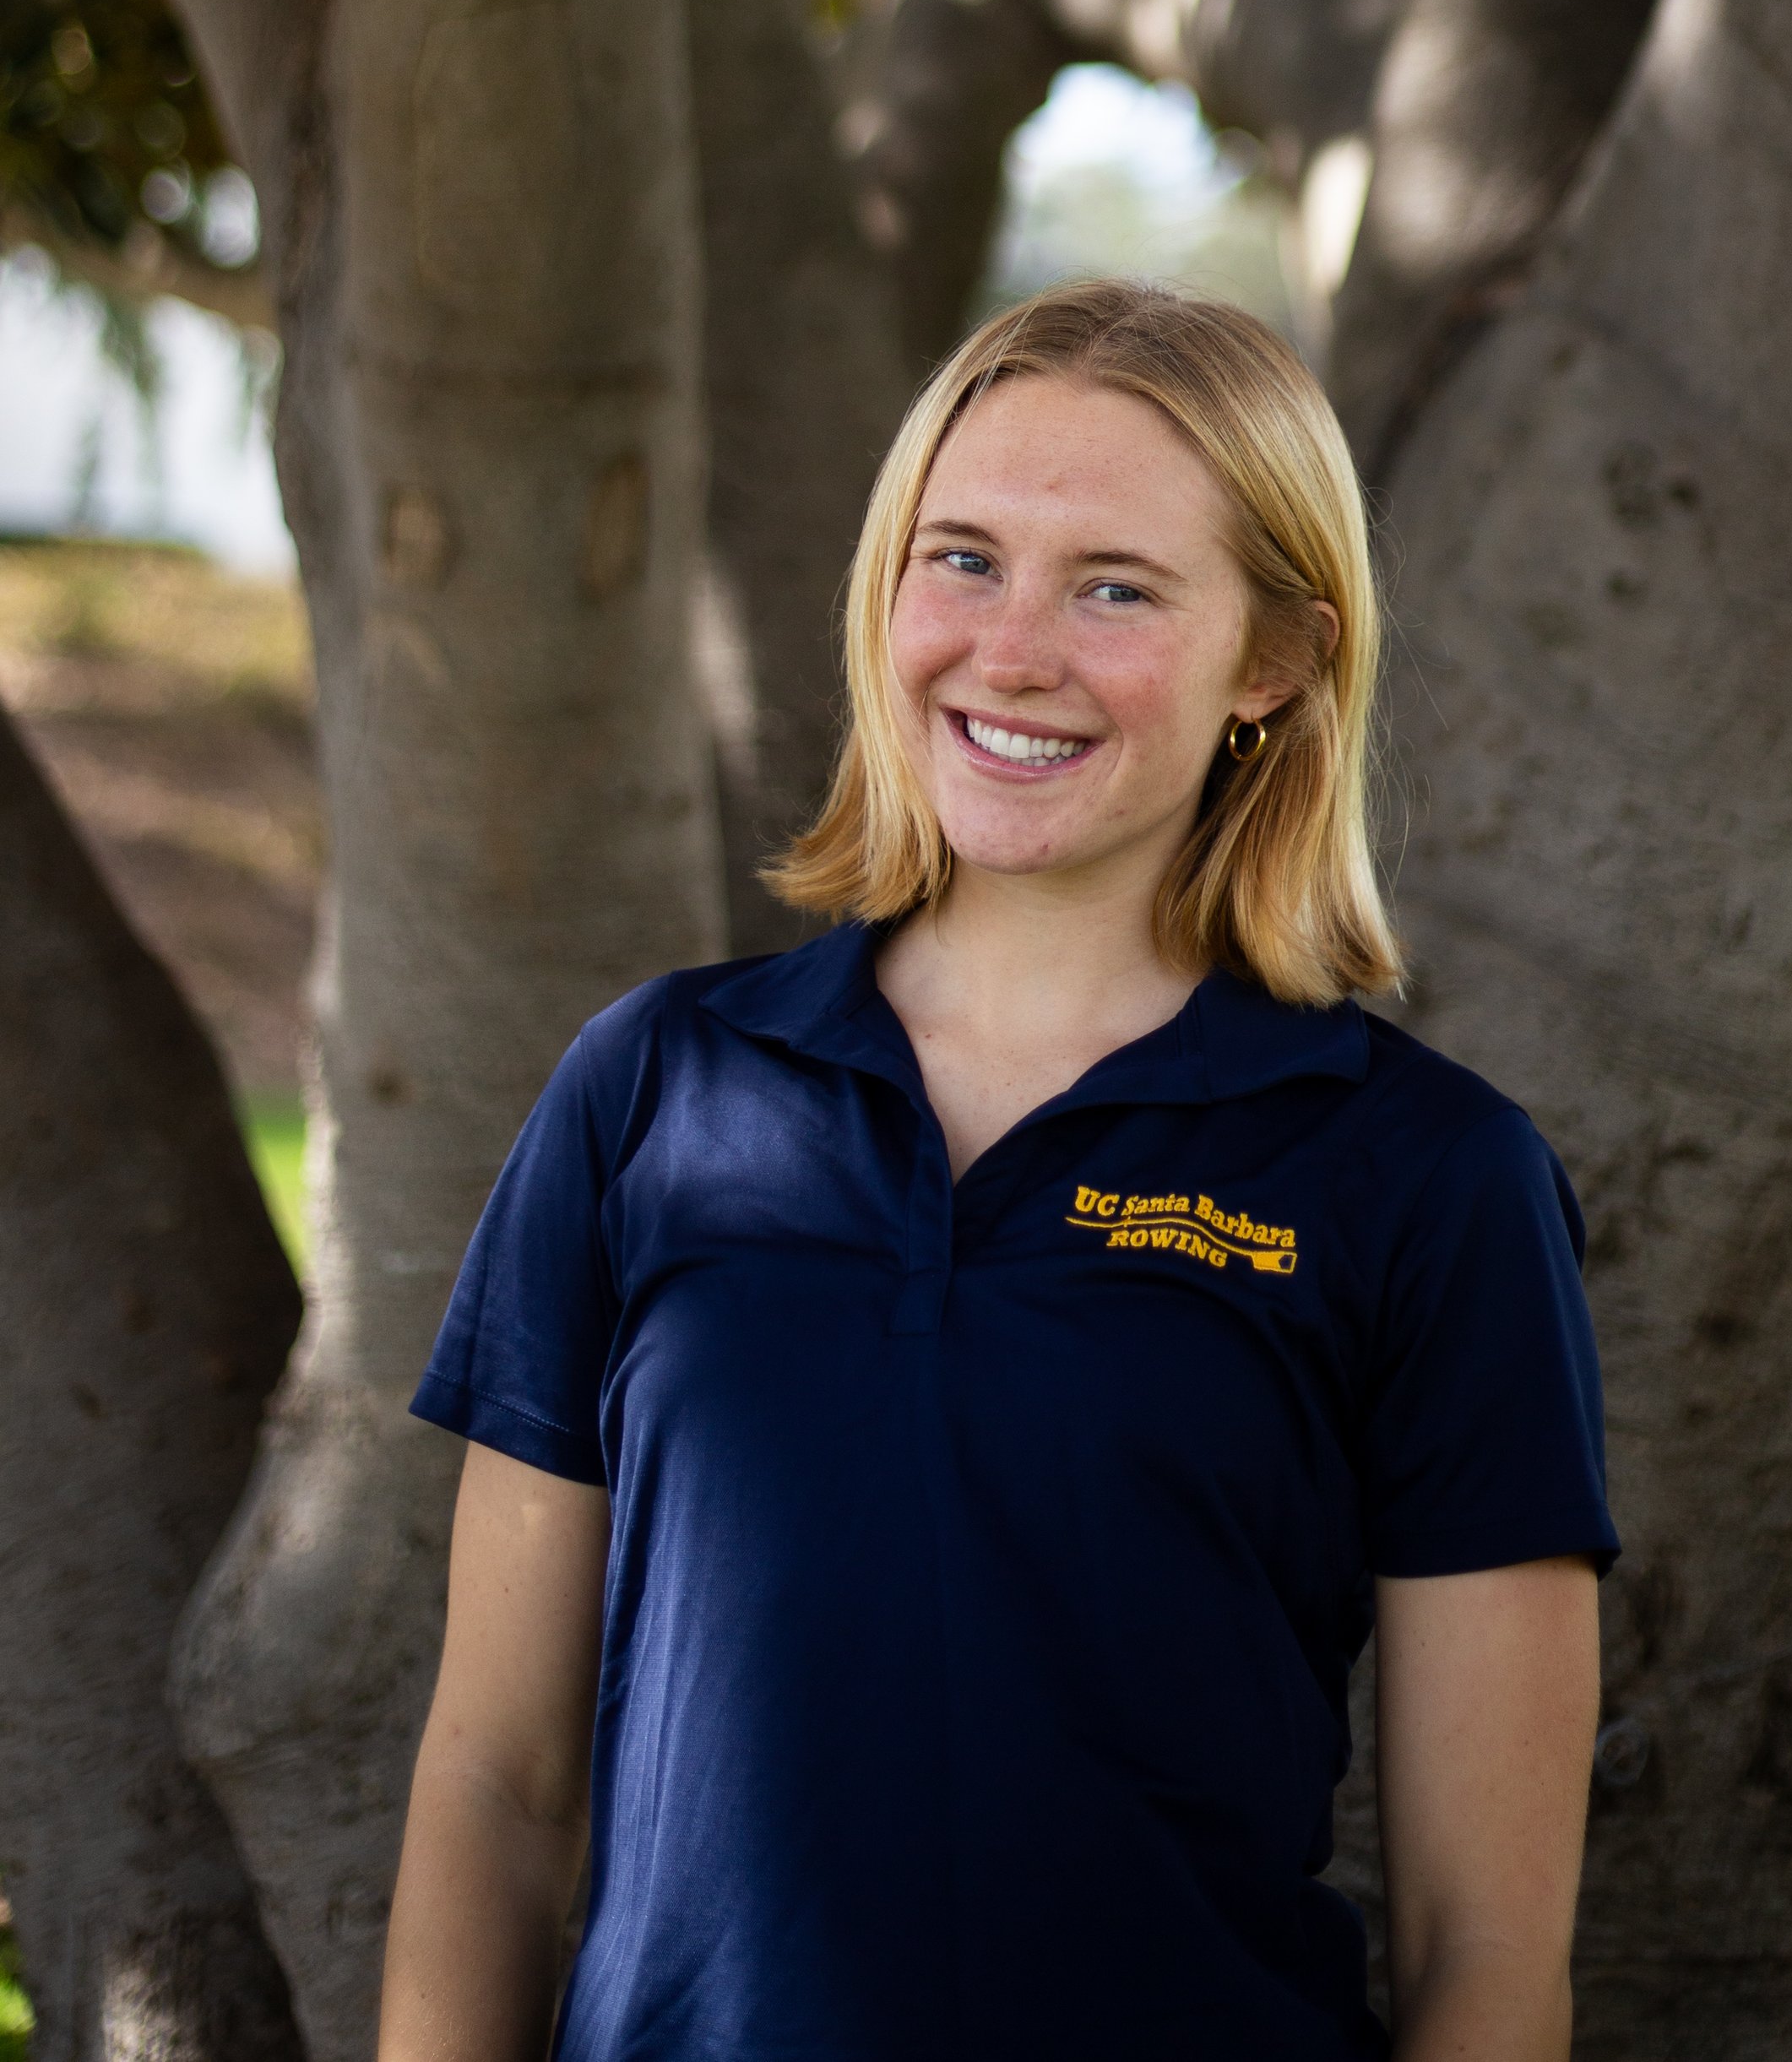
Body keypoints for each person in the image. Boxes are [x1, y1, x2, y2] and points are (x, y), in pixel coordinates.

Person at [383, 279, 1617, 2062]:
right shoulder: (655, 1088)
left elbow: (1482, 1952)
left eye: (1113, 584)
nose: (1011, 645)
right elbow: (494, 1781)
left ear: (1270, 657)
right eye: (959, 558)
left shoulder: (1423, 1177)